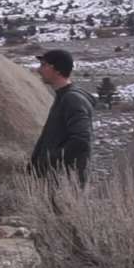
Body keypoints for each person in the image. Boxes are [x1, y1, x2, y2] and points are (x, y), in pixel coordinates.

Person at [29, 49, 93, 187]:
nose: (39, 70)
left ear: (57, 70)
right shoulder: (63, 96)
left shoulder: (72, 99)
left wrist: (49, 161)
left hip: (65, 182)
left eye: (44, 65)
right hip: (57, 179)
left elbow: (81, 140)